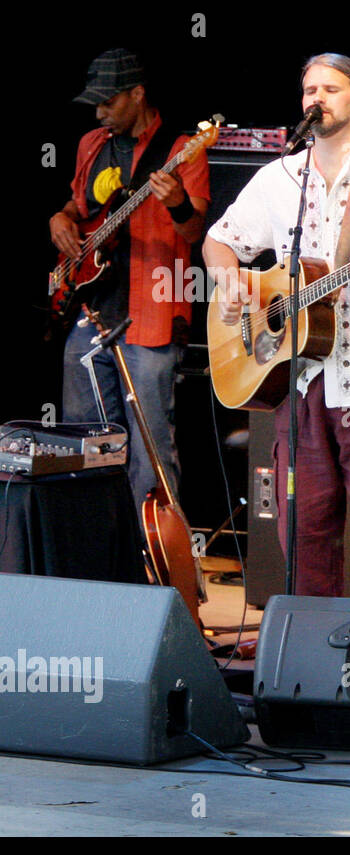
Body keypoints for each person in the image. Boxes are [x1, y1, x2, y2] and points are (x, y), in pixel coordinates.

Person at [203, 53, 350, 600]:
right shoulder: (279, 176)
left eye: (331, 89)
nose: (318, 98)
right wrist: (229, 282)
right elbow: (219, 241)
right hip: (298, 383)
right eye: (309, 89)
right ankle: (311, 659)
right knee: (303, 532)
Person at [50, 49, 209, 513]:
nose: (100, 113)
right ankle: (96, 554)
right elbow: (80, 211)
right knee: (84, 443)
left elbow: (193, 230)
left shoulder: (182, 151)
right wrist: (58, 219)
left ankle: (157, 566)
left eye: (108, 103)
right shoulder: (92, 144)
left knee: (151, 451)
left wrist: (177, 200)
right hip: (93, 310)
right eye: (96, 105)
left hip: (153, 312)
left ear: (137, 95)